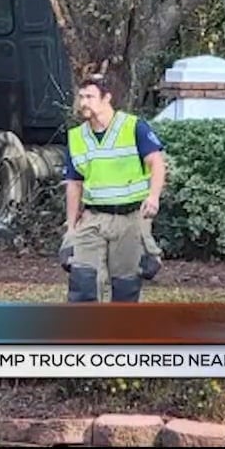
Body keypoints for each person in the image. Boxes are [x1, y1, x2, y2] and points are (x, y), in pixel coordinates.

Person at [60, 75, 166, 302]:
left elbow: (156, 162)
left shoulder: (133, 127)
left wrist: (154, 197)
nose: (83, 103)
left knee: (126, 285)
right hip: (93, 218)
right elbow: (74, 183)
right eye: (81, 97)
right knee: (83, 280)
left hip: (130, 218)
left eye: (89, 97)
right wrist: (70, 227)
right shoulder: (76, 137)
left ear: (107, 98)